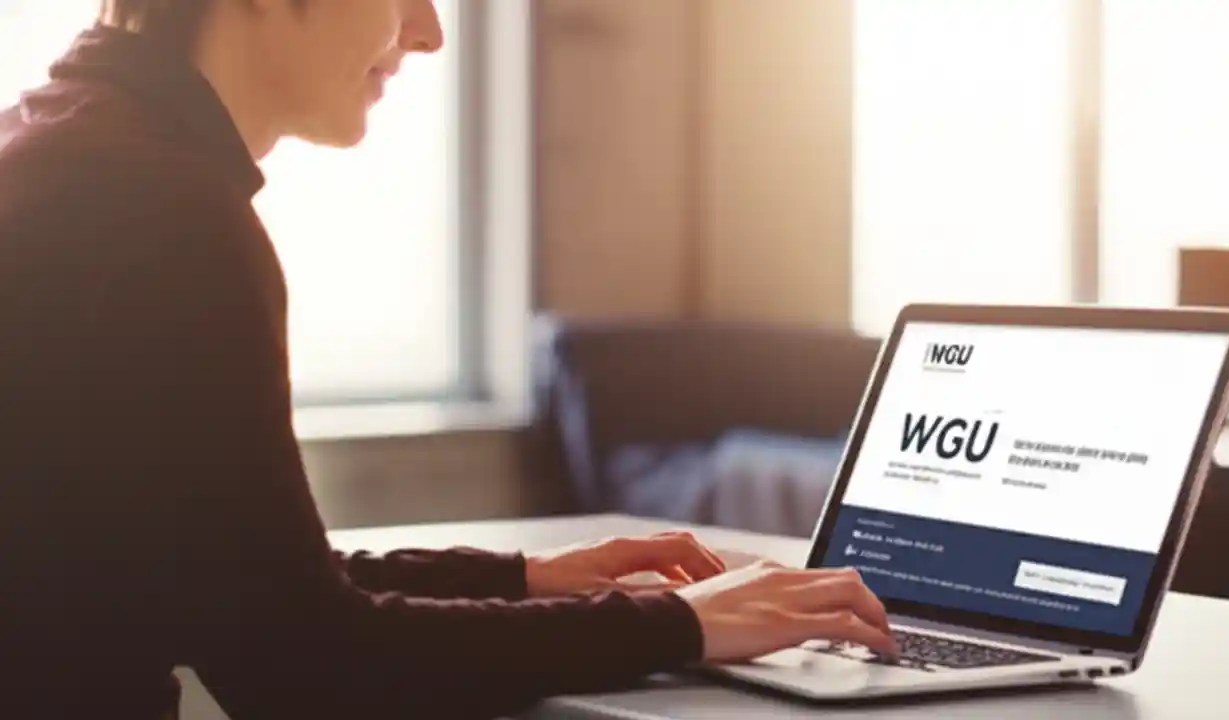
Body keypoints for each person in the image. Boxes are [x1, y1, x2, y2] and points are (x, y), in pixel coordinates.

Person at [0, 1, 896, 717]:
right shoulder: (165, 215)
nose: (429, 32)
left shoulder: (54, 154)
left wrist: (522, 580)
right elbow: (303, 668)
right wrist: (674, 625)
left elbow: (238, 584)